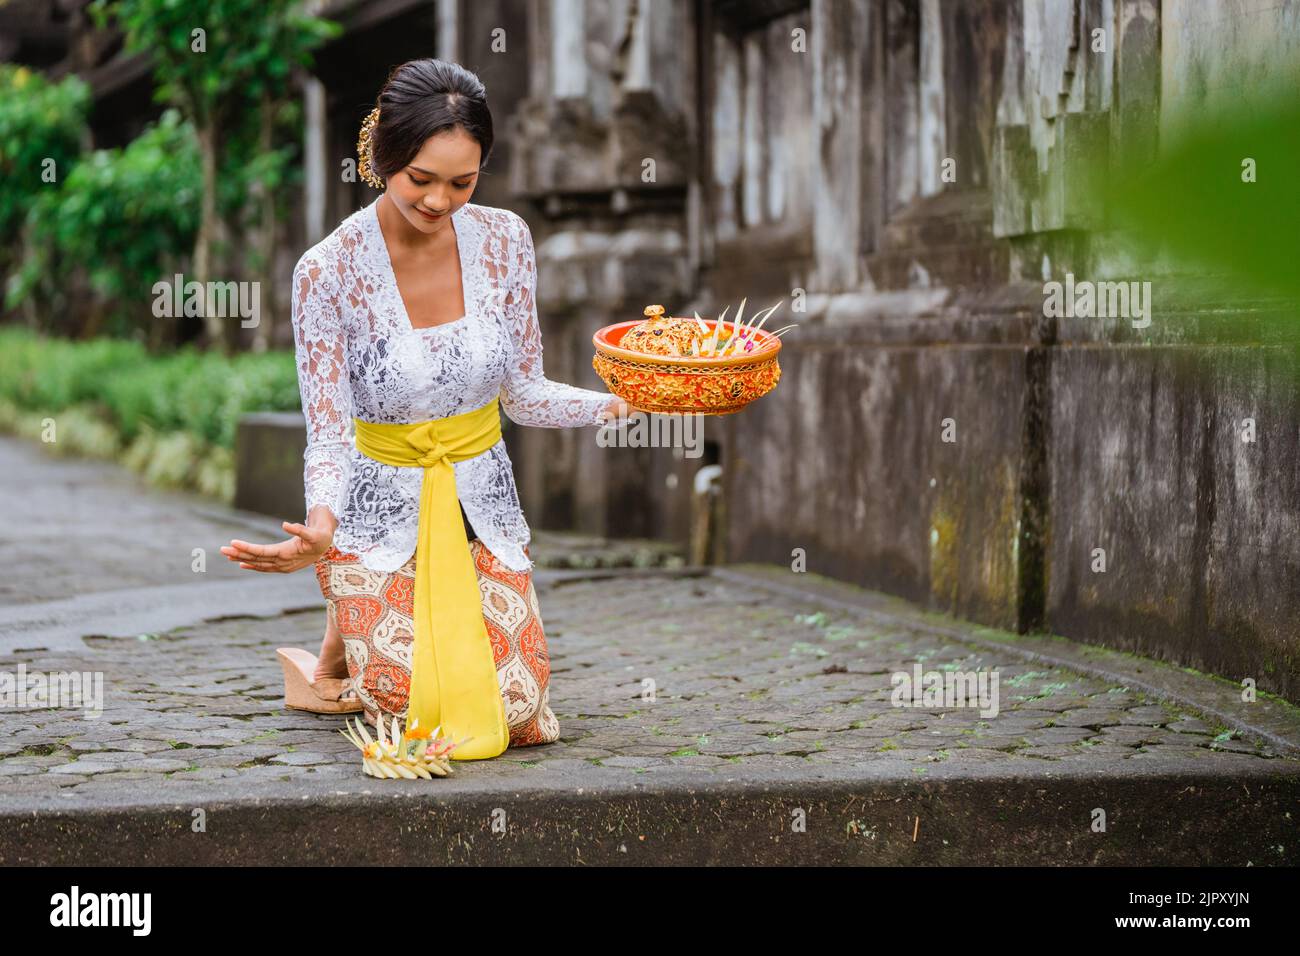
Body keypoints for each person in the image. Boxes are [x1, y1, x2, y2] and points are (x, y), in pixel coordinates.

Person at [219, 58, 644, 760]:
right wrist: (322, 523)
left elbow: (526, 394)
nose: (441, 201)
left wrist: (619, 403)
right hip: (378, 506)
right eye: (421, 178)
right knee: (422, 723)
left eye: (462, 181)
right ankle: (347, 617)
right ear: (383, 157)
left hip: (480, 504)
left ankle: (340, 642)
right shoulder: (327, 271)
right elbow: (327, 434)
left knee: (514, 715)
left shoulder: (506, 241)